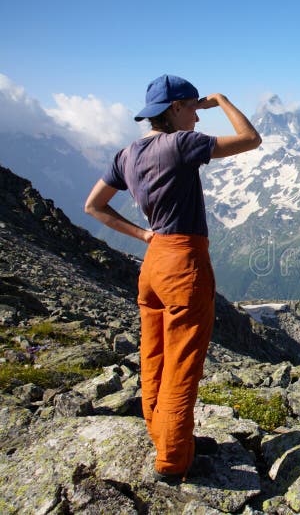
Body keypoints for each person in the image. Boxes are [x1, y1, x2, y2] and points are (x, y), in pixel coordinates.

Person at [85, 74, 261, 483]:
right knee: (183, 365)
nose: (198, 118)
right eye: (193, 108)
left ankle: (165, 437)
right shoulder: (181, 144)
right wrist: (222, 100)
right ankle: (173, 462)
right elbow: (250, 139)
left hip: (153, 262)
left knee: (155, 357)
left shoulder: (126, 154)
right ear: (177, 108)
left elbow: (93, 206)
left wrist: (144, 235)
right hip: (184, 263)